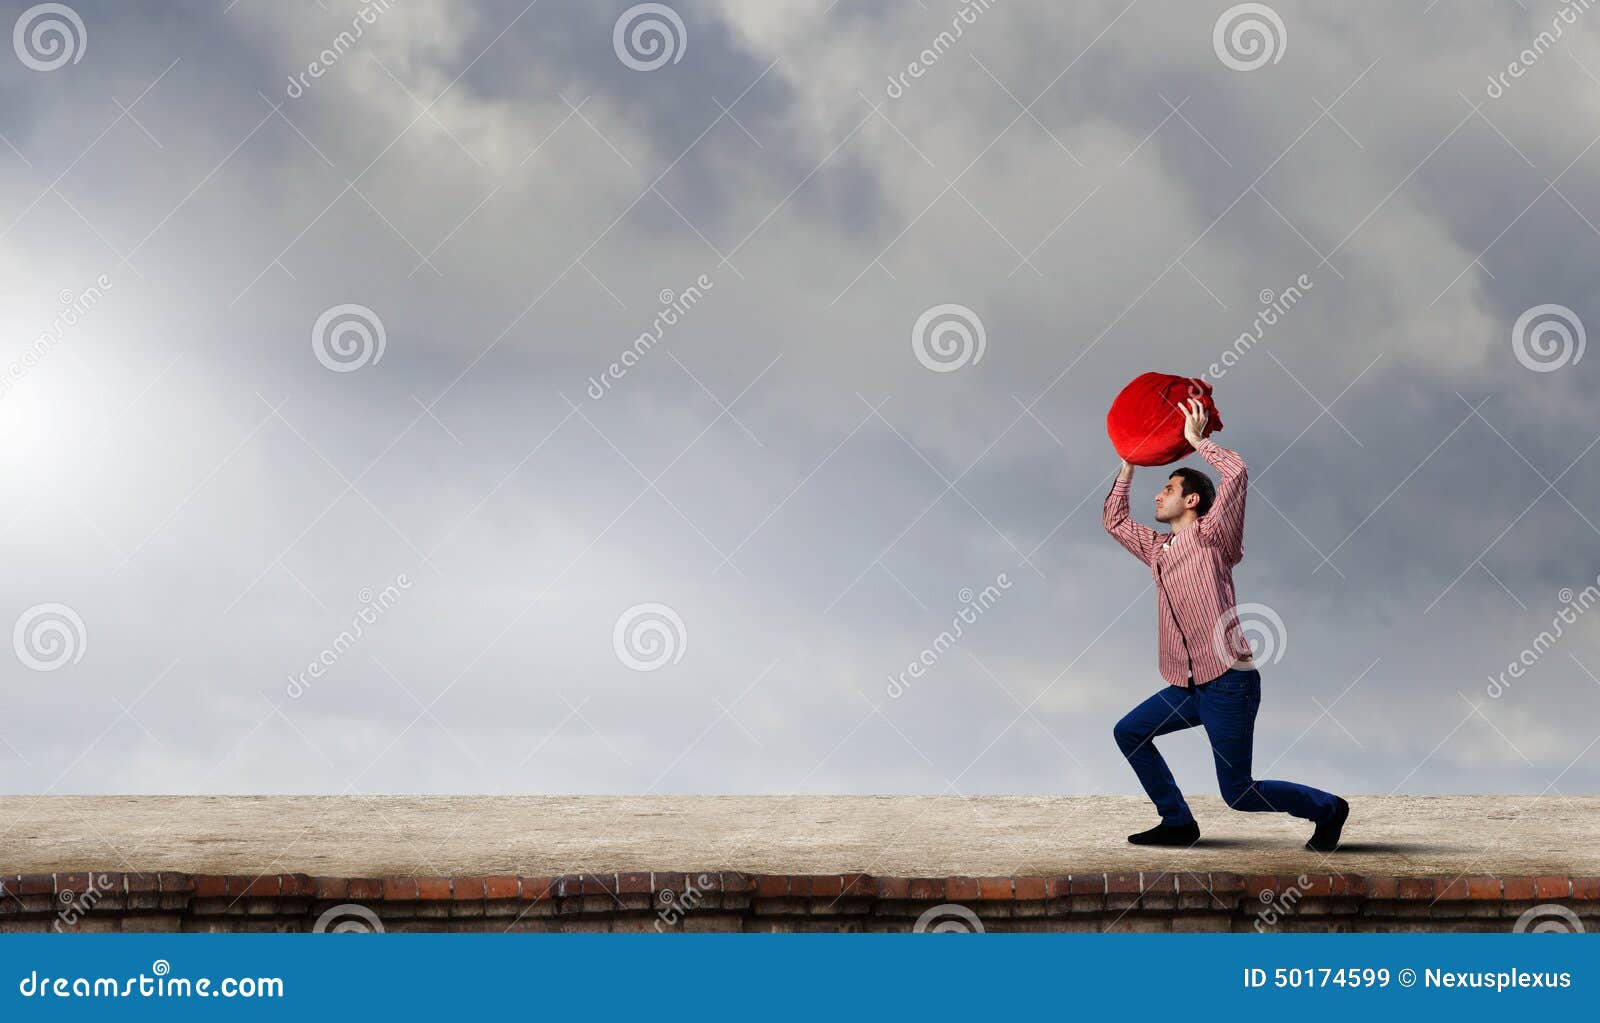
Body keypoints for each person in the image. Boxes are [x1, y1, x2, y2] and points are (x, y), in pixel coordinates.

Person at [1102, 398, 1349, 850]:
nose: (1158, 496)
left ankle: (1329, 808)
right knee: (1129, 731)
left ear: (1191, 500)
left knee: (1238, 793)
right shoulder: (1157, 551)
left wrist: (1199, 442)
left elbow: (1235, 475)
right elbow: (1114, 520)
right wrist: (1127, 466)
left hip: (1228, 684)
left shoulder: (1214, 536)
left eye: (1168, 489)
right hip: (1187, 687)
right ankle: (1177, 822)